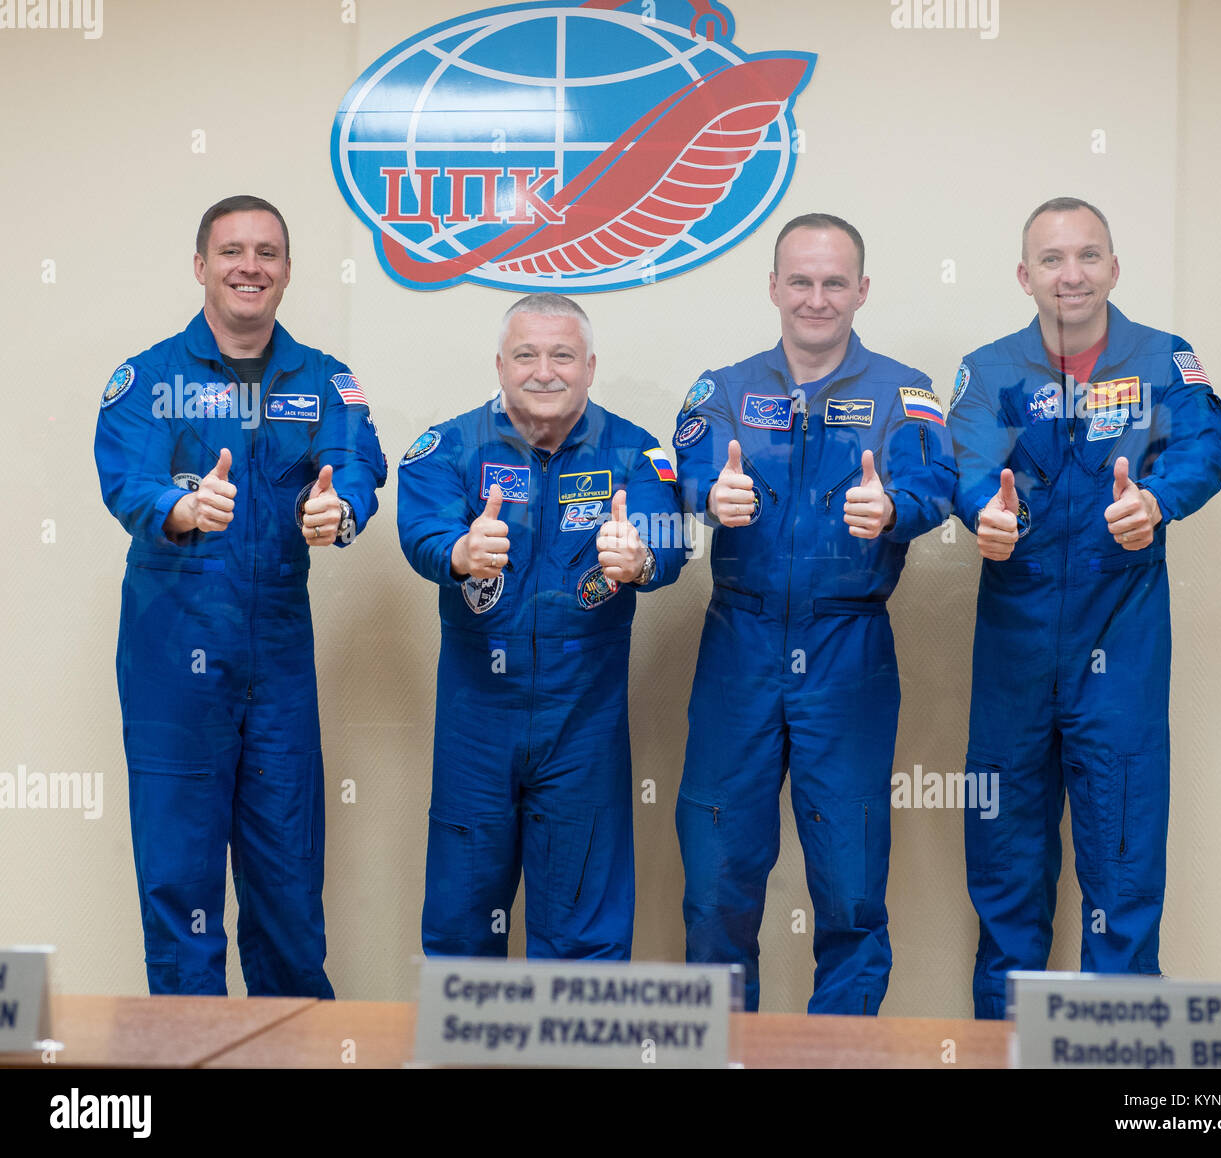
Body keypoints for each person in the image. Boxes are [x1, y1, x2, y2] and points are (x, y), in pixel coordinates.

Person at [948, 196, 1221, 1019]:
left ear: (1114, 266)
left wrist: (1159, 500)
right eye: (1051, 259)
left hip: (1121, 638)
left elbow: (1208, 442)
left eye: (1087, 256)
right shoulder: (991, 369)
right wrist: (985, 512)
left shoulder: (1161, 359)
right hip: (1016, 642)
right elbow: (967, 454)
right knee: (1004, 862)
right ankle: (1006, 1046)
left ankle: (1115, 1071)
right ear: (1024, 276)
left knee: (1122, 853)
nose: (1070, 274)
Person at [94, 195, 387, 997]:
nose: (249, 266)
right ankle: (189, 1053)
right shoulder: (152, 377)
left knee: (288, 878)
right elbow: (128, 477)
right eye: (231, 251)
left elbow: (356, 461)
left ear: (287, 273)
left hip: (279, 650)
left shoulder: (326, 378)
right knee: (181, 882)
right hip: (173, 647)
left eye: (266, 252)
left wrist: (342, 509)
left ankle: (292, 1049)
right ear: (200, 266)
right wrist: (178, 510)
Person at [672, 213, 956, 1014]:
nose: (817, 298)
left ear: (862, 290)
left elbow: (938, 485)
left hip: (848, 649)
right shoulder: (726, 389)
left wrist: (894, 505)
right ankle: (722, 1056)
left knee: (852, 886)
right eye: (800, 280)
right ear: (773, 287)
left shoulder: (904, 394)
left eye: (835, 282)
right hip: (742, 644)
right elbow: (689, 464)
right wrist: (708, 494)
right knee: (717, 879)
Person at [398, 293, 686, 960]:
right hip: (478, 717)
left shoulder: (634, 453)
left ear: (590, 366)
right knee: (462, 922)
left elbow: (669, 538)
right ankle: (467, 1060)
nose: (544, 371)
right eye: (526, 354)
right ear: (500, 365)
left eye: (562, 355)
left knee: (583, 930)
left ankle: (573, 1064)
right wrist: (459, 553)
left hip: (583, 719)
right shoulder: (448, 446)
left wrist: (641, 558)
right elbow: (422, 527)